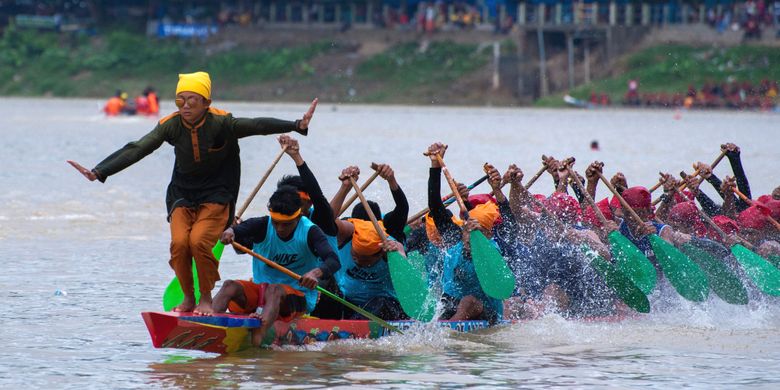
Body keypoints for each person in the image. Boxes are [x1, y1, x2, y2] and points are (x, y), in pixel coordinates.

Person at [67, 71, 318, 315]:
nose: (185, 106)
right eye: (180, 100)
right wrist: (99, 171)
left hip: (217, 195)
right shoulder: (171, 125)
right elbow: (138, 148)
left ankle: (205, 298)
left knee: (199, 241)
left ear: (206, 103)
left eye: (192, 100)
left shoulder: (221, 122)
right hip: (182, 195)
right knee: (179, 244)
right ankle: (189, 298)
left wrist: (296, 125)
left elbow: (257, 125)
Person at [214, 185, 341, 346]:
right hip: (262, 293)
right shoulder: (262, 224)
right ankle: (206, 326)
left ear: (298, 216)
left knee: (275, 290)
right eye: (276, 223)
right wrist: (230, 231)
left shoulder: (311, 231)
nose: (280, 228)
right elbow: (237, 230)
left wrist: (315, 274)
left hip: (298, 297)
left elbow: (333, 260)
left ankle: (258, 339)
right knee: (229, 286)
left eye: (286, 224)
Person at [330, 166, 409, 320]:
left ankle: (352, 326)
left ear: (380, 251)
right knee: (326, 285)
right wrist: (345, 187)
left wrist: (397, 258)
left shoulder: (390, 245)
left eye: (367, 259)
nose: (359, 261)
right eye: (356, 256)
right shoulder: (346, 234)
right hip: (348, 301)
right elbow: (326, 219)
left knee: (381, 303)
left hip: (383, 305)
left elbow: (402, 209)